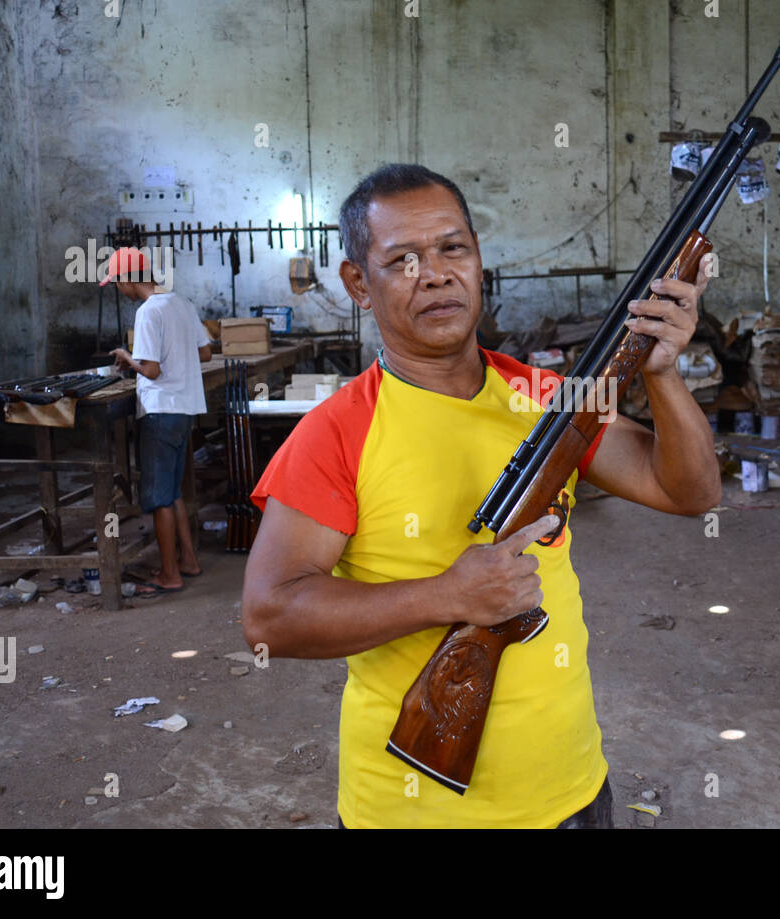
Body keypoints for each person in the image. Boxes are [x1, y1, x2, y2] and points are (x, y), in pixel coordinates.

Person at [242, 164, 720, 828]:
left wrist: (662, 374)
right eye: (402, 260)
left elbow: (689, 490)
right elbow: (269, 617)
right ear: (358, 283)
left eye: (452, 248)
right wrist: (450, 594)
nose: (435, 274)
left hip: (571, 792)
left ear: (478, 259)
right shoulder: (337, 431)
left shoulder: (546, 401)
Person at [101, 247, 212, 598]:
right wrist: (175, 353)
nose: (119, 289)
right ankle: (188, 560)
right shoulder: (181, 304)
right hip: (184, 410)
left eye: (117, 282)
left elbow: (151, 370)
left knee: (158, 497)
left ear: (128, 279)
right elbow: (206, 352)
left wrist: (126, 358)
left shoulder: (149, 311)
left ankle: (169, 574)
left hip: (161, 411)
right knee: (173, 490)